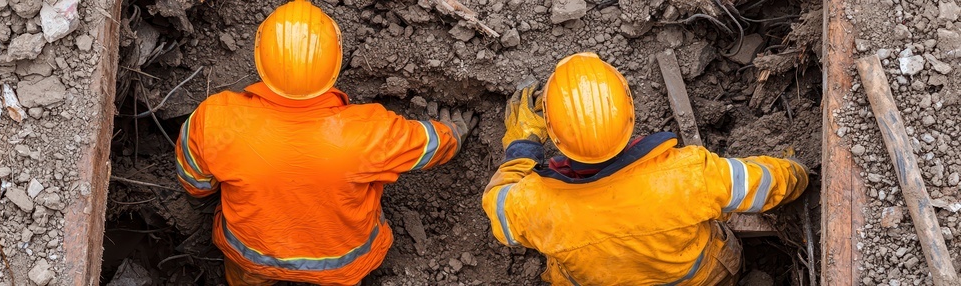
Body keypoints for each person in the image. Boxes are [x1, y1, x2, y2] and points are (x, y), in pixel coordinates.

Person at [173, 1, 475, 285]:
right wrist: (454, 134)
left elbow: (195, 185)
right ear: (335, 62)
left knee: (245, 278)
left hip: (252, 257)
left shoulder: (215, 118)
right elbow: (427, 145)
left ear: (260, 57)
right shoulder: (370, 132)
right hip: (341, 267)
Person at [481, 52, 808, 285]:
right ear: (629, 113)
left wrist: (523, 145)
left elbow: (499, 209)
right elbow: (765, 184)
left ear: (553, 132)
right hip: (704, 279)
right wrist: (798, 171)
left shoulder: (535, 205)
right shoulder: (686, 175)